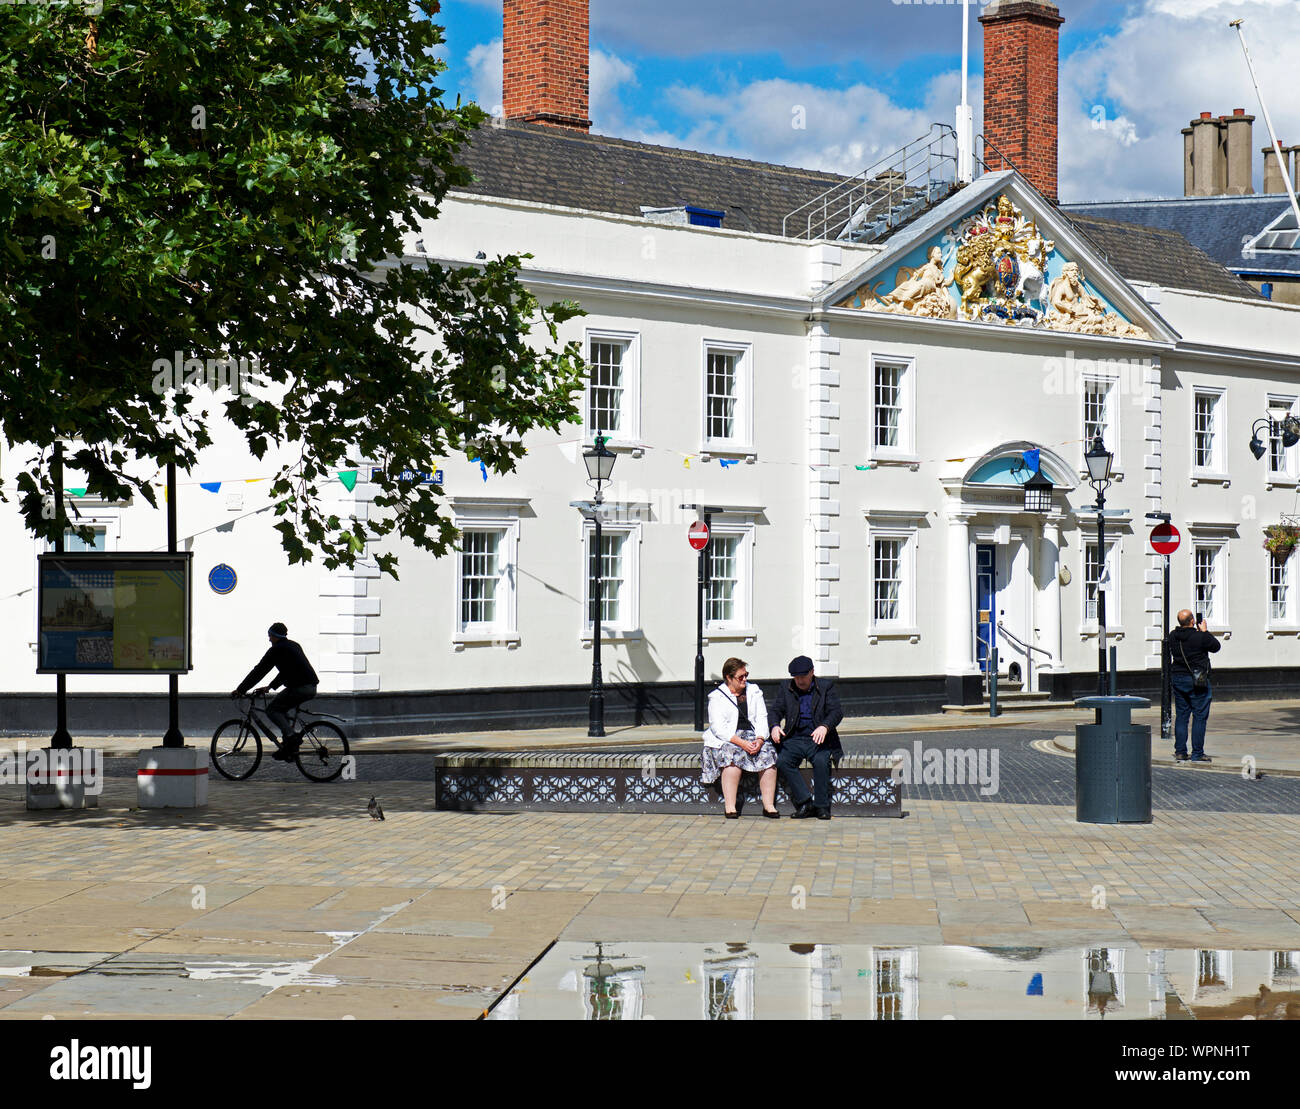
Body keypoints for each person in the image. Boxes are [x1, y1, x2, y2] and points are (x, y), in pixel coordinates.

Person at [702, 657, 779, 819]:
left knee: (768, 753)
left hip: (752, 735)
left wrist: (759, 739)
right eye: (740, 677)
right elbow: (718, 728)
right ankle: (730, 806)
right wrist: (742, 743)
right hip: (729, 738)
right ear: (729, 678)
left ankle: (769, 805)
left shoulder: (754, 691)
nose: (745, 679)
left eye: (746, 675)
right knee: (732, 756)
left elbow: (762, 718)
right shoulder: (716, 697)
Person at [768, 655, 843, 819]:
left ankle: (822, 807)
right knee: (782, 761)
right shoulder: (786, 687)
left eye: (803, 676)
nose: (800, 681)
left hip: (818, 738)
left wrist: (825, 726)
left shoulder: (825, 687)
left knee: (822, 761)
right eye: (796, 677)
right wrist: (774, 726)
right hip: (794, 737)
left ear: (812, 672)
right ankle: (805, 802)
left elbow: (836, 712)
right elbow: (775, 710)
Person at [231, 623, 320, 761]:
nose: (269, 639)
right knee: (281, 710)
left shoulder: (276, 650)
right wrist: (270, 687)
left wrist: (241, 689)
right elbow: (288, 670)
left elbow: (259, 670)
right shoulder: (293, 645)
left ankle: (291, 738)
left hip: (299, 687)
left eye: (270, 636)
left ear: (274, 636)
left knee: (272, 710)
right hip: (310, 686)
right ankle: (288, 748)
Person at [1169, 609, 1220, 763]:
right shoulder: (1200, 637)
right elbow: (1216, 646)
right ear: (1192, 621)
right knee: (1199, 716)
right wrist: (1205, 631)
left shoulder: (1173, 636)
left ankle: (1180, 751)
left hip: (1178, 677)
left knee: (1182, 716)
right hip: (1197, 680)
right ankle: (1197, 753)